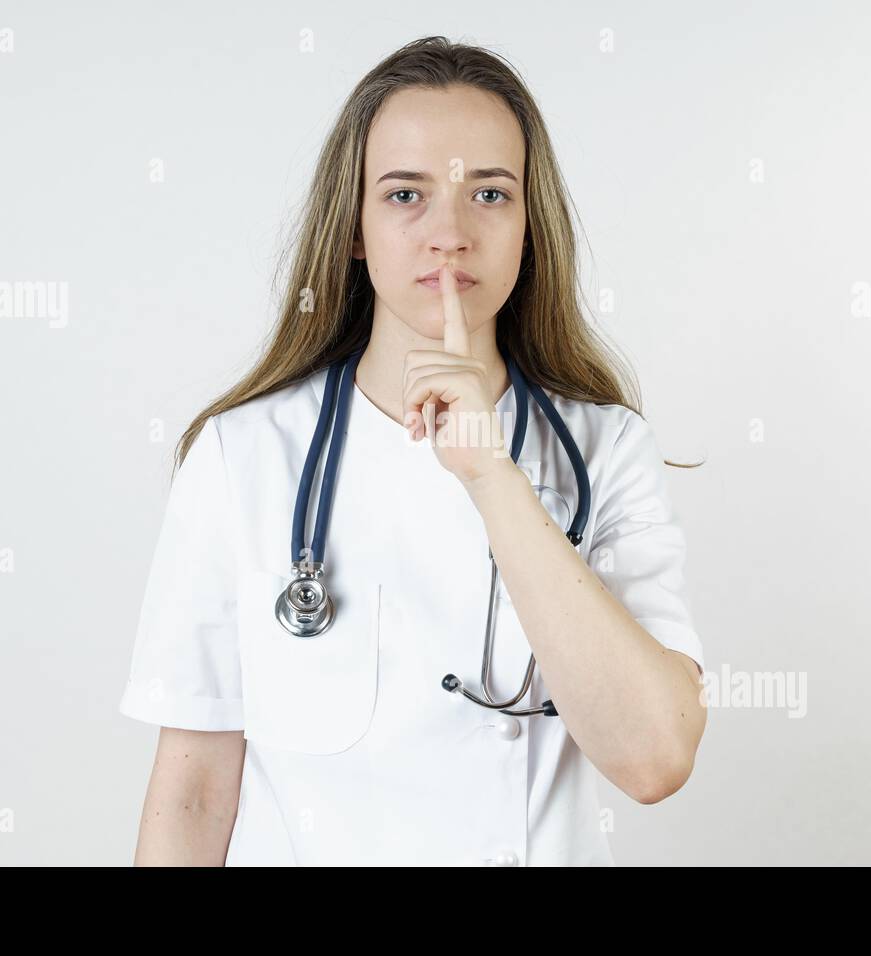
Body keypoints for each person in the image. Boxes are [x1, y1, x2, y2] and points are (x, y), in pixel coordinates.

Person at [118, 35, 708, 866]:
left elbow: (654, 757)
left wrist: (492, 476)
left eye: (491, 194)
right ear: (353, 229)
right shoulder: (243, 455)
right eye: (405, 194)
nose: (450, 234)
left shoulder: (605, 450)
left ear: (530, 226)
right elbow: (193, 791)